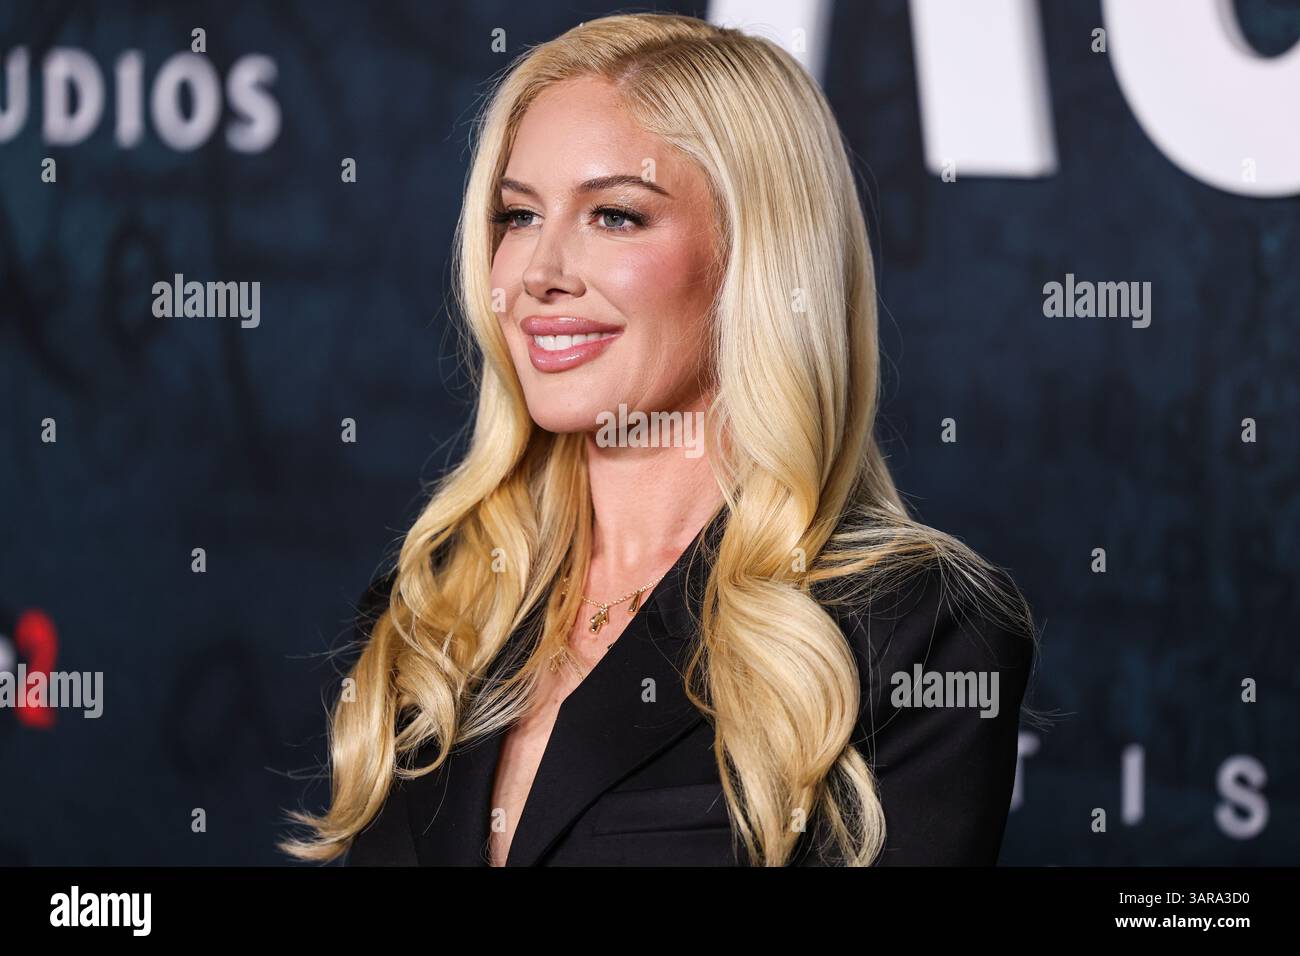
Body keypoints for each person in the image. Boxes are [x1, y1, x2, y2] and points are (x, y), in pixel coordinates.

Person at [280, 11, 1039, 867]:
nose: (538, 273)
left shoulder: (913, 630)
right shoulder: (437, 607)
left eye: (614, 216)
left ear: (757, 256)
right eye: (518, 216)